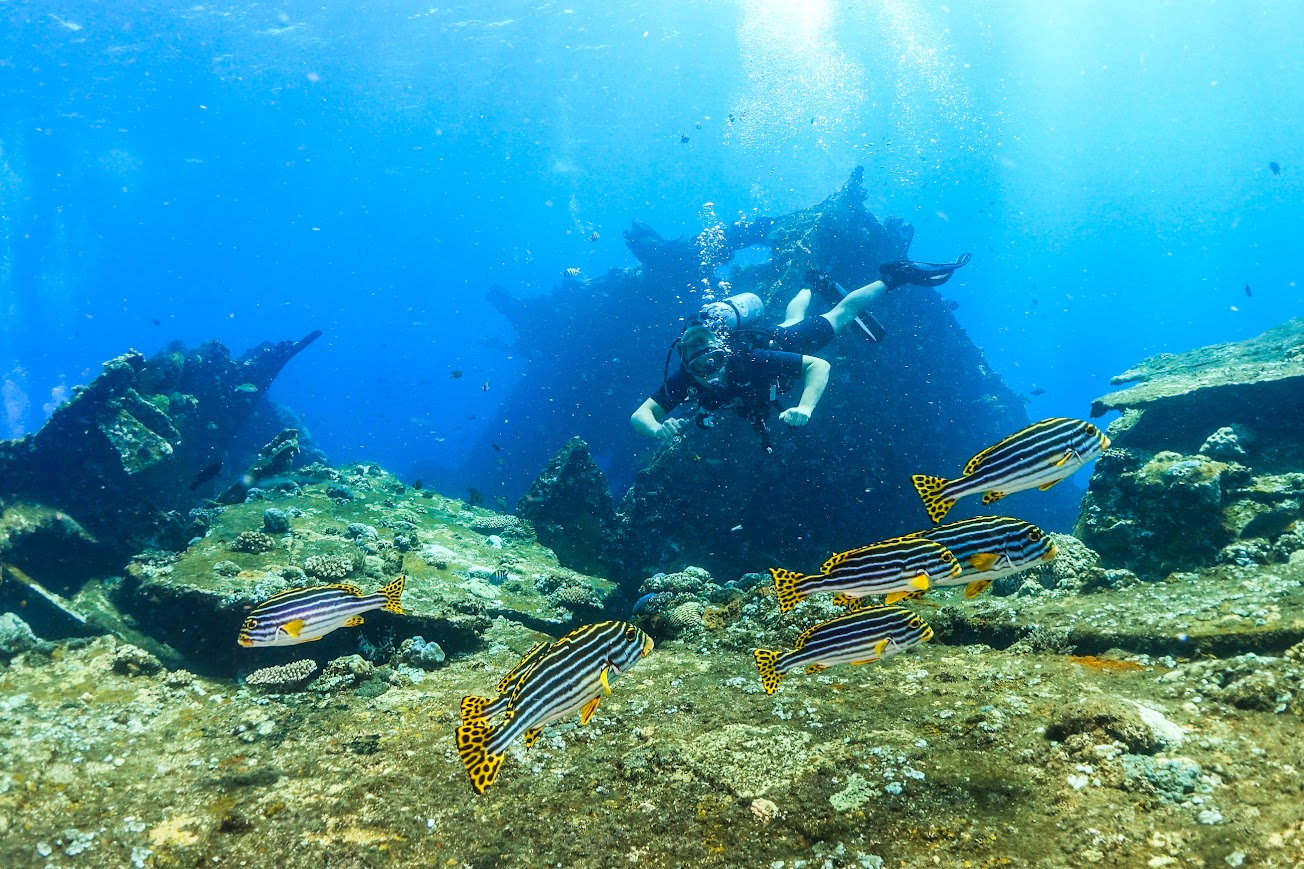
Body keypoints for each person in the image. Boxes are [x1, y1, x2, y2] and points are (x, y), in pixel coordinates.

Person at [629, 255, 971, 448]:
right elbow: (640, 415)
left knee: (840, 315)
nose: (711, 369)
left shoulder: (751, 360)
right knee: (793, 318)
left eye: (714, 358)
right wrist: (656, 429)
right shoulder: (685, 380)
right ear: (687, 366)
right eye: (701, 365)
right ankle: (810, 284)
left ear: (723, 350)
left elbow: (819, 367)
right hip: (777, 341)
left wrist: (805, 406)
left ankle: (896, 276)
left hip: (784, 344)